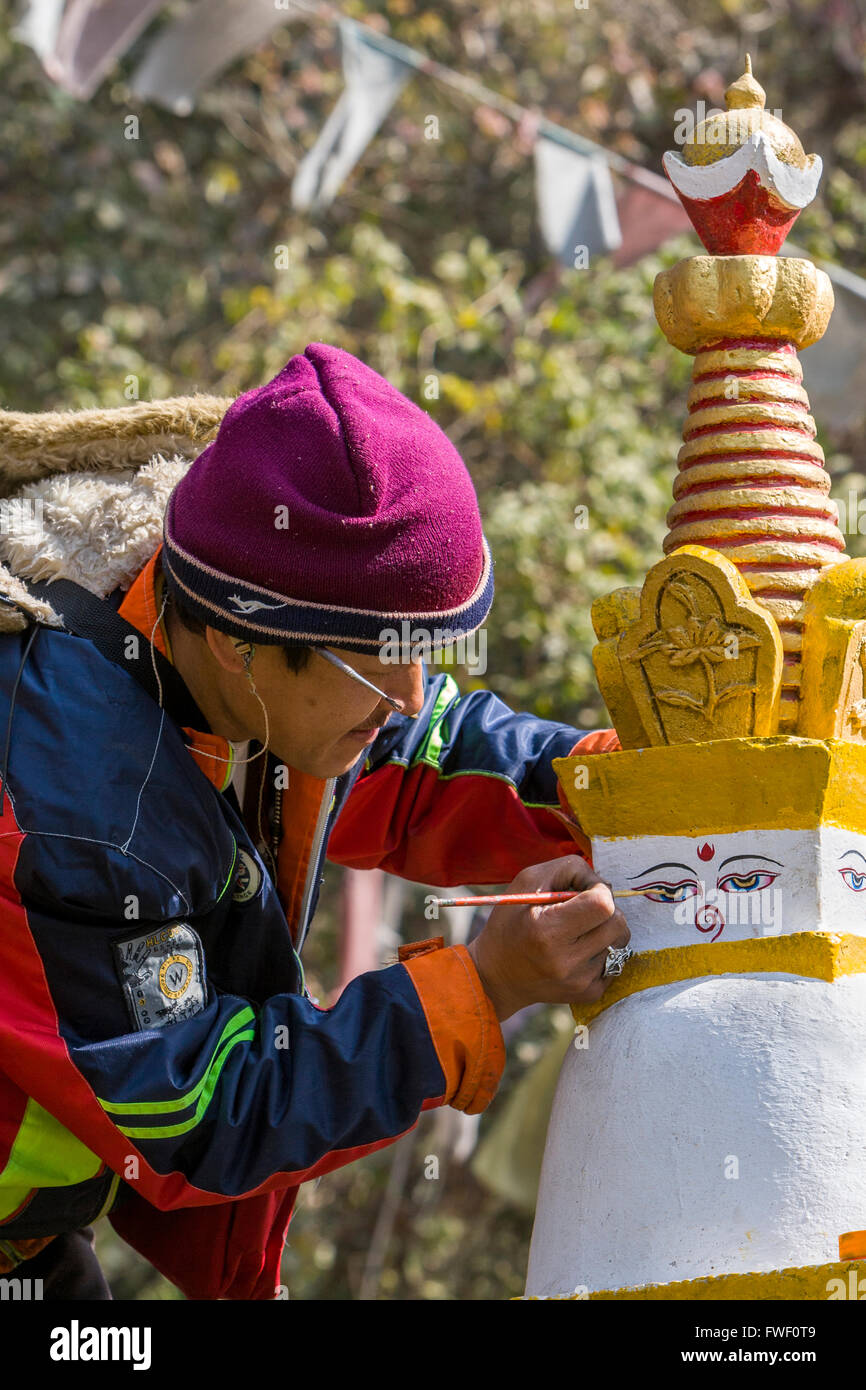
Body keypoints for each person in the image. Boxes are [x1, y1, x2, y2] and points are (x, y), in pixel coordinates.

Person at [0, 343, 628, 1299]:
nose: (412, 695)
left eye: (430, 649)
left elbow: (425, 757)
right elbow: (198, 1119)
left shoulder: (232, 628)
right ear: (238, 644)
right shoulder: (68, 810)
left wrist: (614, 790)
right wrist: (478, 991)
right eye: (381, 658)